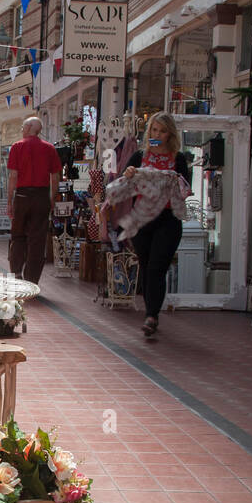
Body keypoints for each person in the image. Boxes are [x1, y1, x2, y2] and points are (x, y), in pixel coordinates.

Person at [101, 112, 192, 338]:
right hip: (142, 219)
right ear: (149, 132)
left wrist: (175, 178)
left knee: (157, 267)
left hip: (168, 219)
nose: (157, 135)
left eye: (162, 131)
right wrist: (130, 173)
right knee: (146, 265)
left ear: (170, 133)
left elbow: (186, 189)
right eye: (154, 130)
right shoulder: (140, 156)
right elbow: (123, 181)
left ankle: (152, 316)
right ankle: (151, 312)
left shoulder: (178, 158)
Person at [6, 116, 61, 285]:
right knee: (37, 238)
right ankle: (32, 278)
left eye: (23, 126)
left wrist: (9, 200)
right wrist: (52, 198)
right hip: (41, 196)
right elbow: (55, 177)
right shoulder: (49, 148)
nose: (22, 129)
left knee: (18, 235)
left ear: (29, 127)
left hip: (22, 196)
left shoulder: (17, 146)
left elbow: (13, 176)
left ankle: (16, 272)